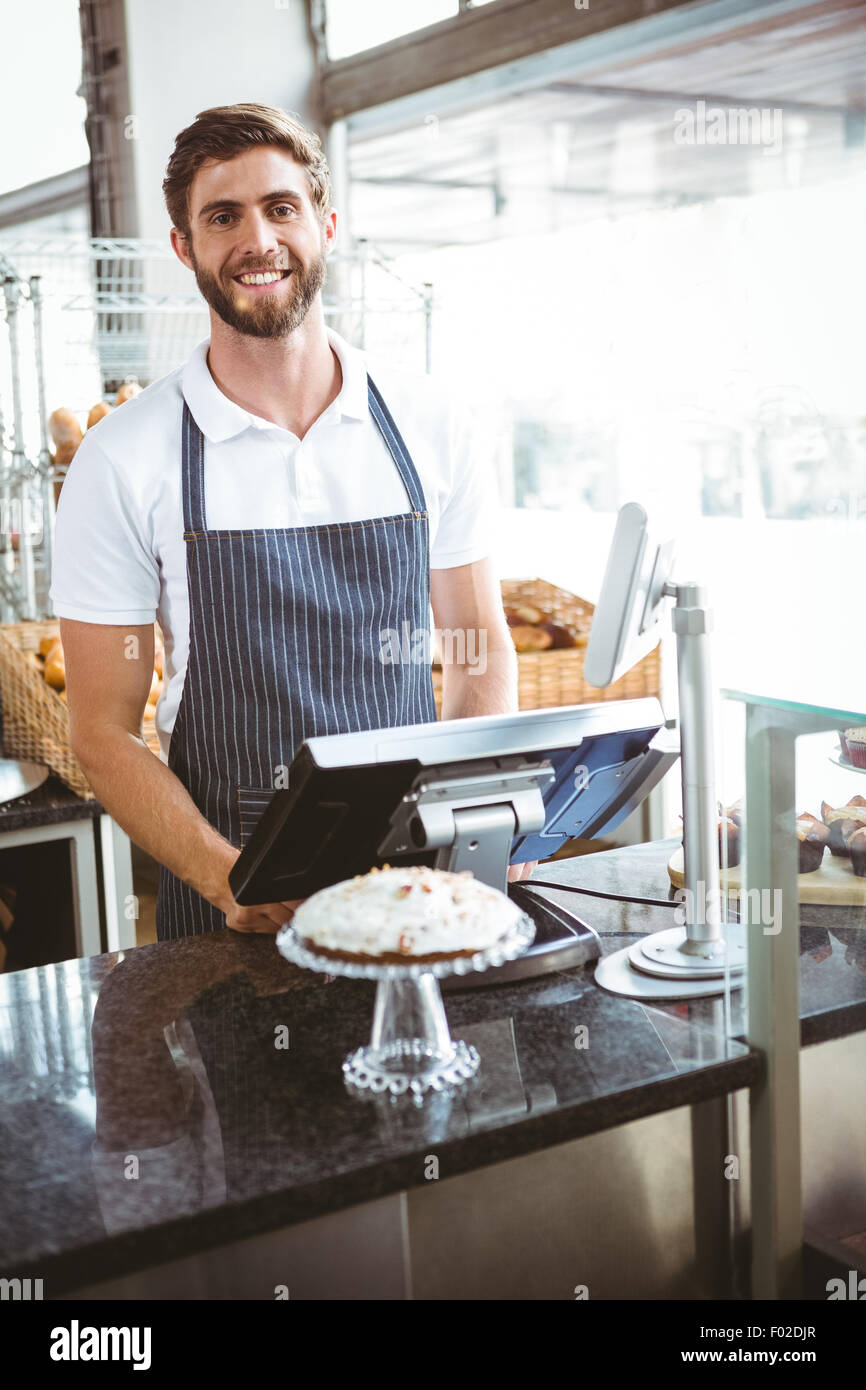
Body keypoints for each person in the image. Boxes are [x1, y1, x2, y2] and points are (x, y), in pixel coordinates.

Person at [51, 103, 533, 942]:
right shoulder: (122, 458)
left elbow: (477, 647)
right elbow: (100, 731)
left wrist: (477, 818)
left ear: (326, 225)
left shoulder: (430, 422)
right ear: (184, 247)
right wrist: (223, 875)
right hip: (230, 896)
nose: (258, 240)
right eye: (222, 216)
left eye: (281, 208)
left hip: (413, 880)